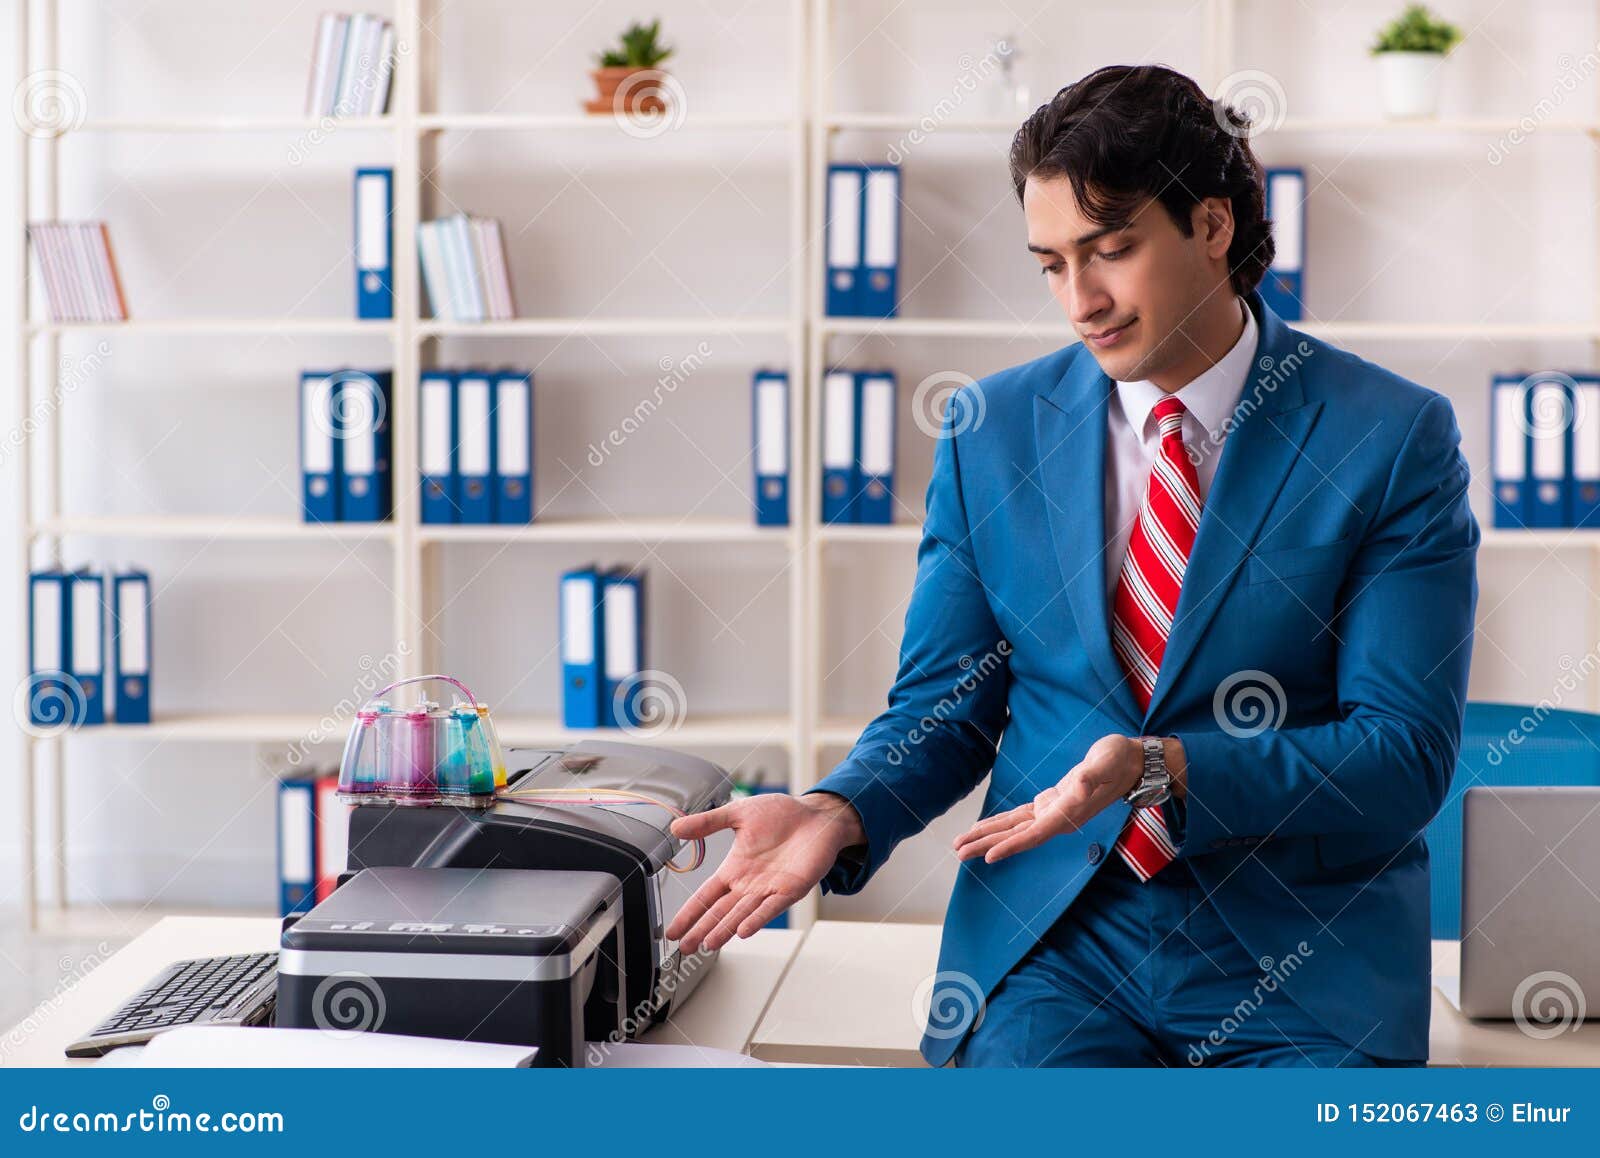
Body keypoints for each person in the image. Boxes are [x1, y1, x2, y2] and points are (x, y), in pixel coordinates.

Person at [666, 63, 1478, 1067]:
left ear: (1213, 228)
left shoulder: (1388, 437)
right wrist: (839, 807)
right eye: (1050, 264)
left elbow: (1402, 757)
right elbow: (946, 706)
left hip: (1296, 957)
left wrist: (1163, 770)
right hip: (1062, 940)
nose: (1080, 300)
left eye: (1112, 250)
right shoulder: (991, 430)